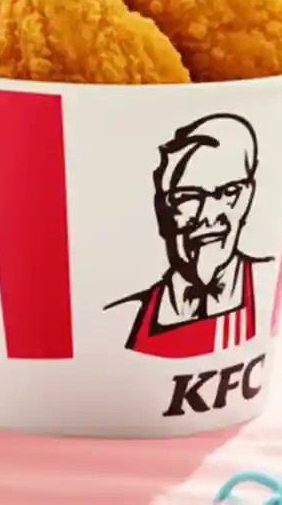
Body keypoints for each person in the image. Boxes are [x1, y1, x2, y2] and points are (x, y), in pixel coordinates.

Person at [107, 113, 271, 359]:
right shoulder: (121, 318)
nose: (209, 216)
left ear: (247, 198)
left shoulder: (266, 285)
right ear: (161, 211)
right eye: (188, 197)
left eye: (229, 192)